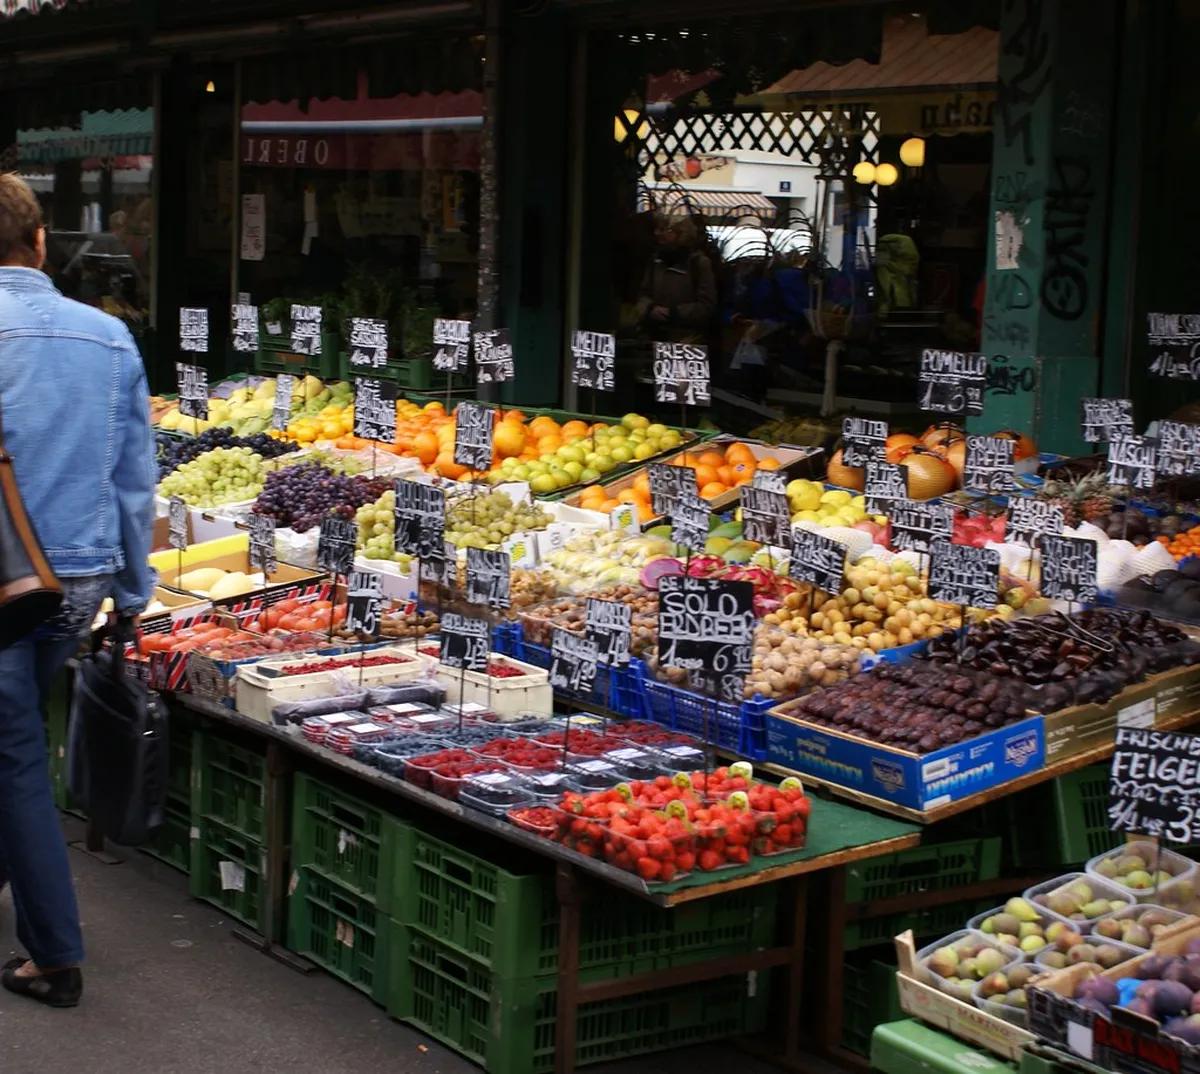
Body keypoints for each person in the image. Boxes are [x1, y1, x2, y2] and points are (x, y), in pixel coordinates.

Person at [0, 173, 156, 1008]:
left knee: (16, 756)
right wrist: (133, 590)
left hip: (3, 581)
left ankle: (55, 956)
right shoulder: (106, 338)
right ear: (41, 244)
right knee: (16, 731)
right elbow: (136, 480)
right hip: (76, 582)